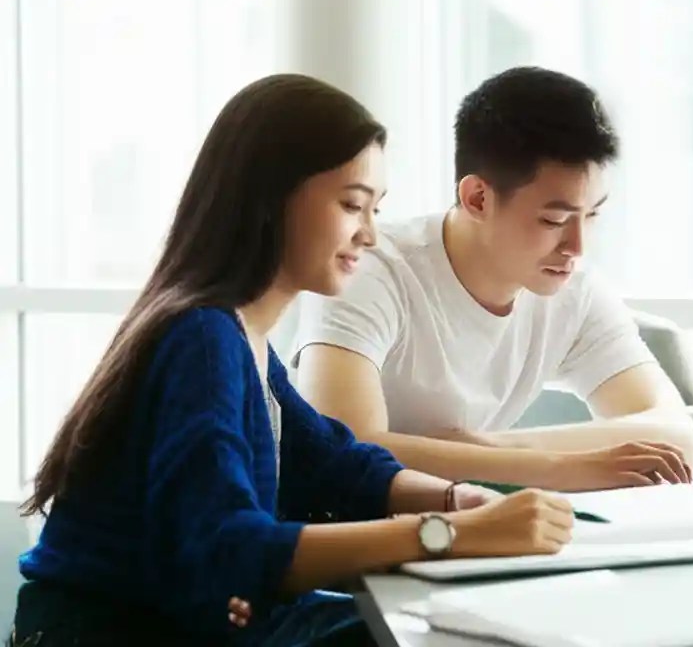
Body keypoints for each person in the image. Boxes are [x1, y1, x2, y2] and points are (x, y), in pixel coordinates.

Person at [12, 74, 574, 646]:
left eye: (376, 209)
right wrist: (448, 533)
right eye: (353, 205)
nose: (371, 236)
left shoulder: (241, 336)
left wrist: (453, 498)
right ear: (270, 196)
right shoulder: (202, 338)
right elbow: (229, 549)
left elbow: (333, 462)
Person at [293, 66, 693, 491]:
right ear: (478, 198)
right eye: (554, 219)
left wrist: (490, 448)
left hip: (470, 525)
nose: (577, 246)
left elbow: (674, 435)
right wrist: (563, 466)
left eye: (592, 214)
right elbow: (343, 451)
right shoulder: (372, 267)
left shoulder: (574, 289)